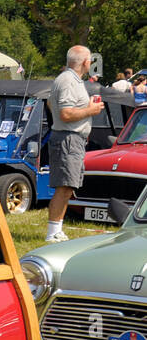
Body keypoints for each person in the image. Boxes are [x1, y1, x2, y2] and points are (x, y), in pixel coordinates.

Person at [45, 44, 104, 243]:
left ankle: (56, 229)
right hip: (68, 138)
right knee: (64, 186)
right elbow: (65, 113)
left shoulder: (70, 79)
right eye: (90, 60)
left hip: (72, 138)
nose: (91, 63)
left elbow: (51, 104)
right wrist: (91, 111)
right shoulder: (69, 80)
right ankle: (53, 232)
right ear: (85, 62)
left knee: (68, 186)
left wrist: (86, 107)